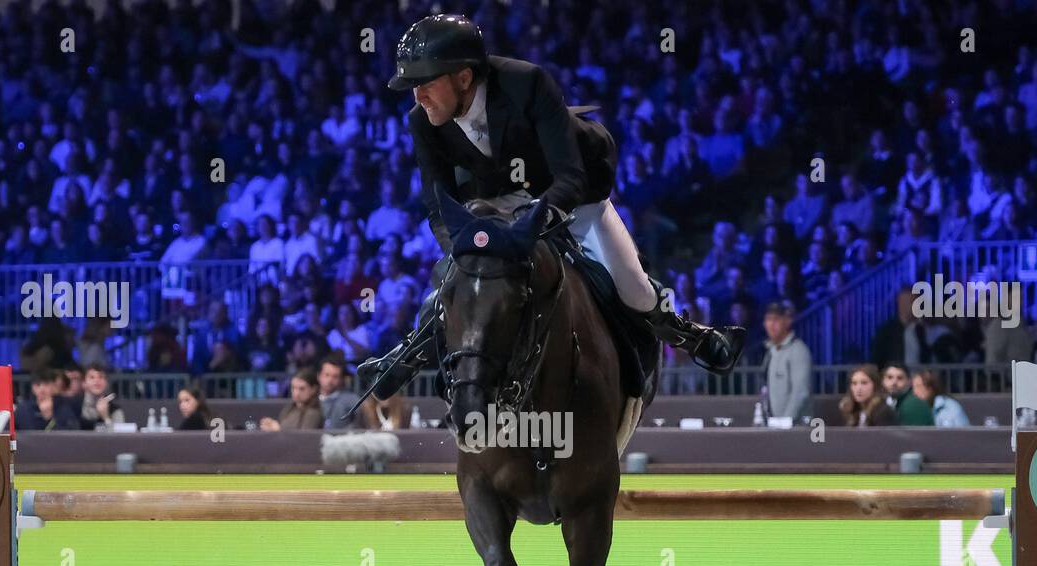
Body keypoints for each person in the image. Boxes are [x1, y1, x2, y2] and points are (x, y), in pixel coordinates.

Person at [359, 13, 744, 401]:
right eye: (412, 87)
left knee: (632, 287)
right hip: (496, 201)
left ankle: (685, 332)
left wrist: (530, 227)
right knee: (455, 283)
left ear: (463, 77)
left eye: (425, 84)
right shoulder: (422, 121)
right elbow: (438, 204)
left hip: (572, 196)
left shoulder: (526, 83)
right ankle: (408, 354)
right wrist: (463, 249)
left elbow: (570, 177)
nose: (417, 96)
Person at [759, 301, 812, 422]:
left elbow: (800, 392)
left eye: (776, 319)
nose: (771, 324)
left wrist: (785, 421)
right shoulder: (770, 351)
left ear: (787, 321)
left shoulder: (798, 350)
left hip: (795, 429)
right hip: (774, 425)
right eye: (768, 320)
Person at [14, 368, 81, 431]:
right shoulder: (22, 409)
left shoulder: (65, 407)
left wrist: (49, 418)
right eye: (38, 384)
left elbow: (72, 436)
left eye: (46, 384)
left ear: (53, 386)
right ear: (32, 387)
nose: (42, 389)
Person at [259, 368, 324, 430]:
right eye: (293, 388)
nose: (296, 393)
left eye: (302, 389)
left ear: (313, 389)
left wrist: (278, 429)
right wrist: (272, 425)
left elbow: (304, 439)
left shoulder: (313, 413)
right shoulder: (290, 407)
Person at [76, 363, 125, 430]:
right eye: (92, 377)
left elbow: (120, 438)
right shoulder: (74, 405)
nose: (97, 381)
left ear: (106, 383)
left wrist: (106, 417)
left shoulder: (115, 410)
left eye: (101, 377)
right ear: (84, 383)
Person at [318, 354, 359, 430]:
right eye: (327, 375)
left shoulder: (351, 400)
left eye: (335, 376)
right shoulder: (310, 399)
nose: (330, 380)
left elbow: (362, 421)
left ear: (341, 380)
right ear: (319, 376)